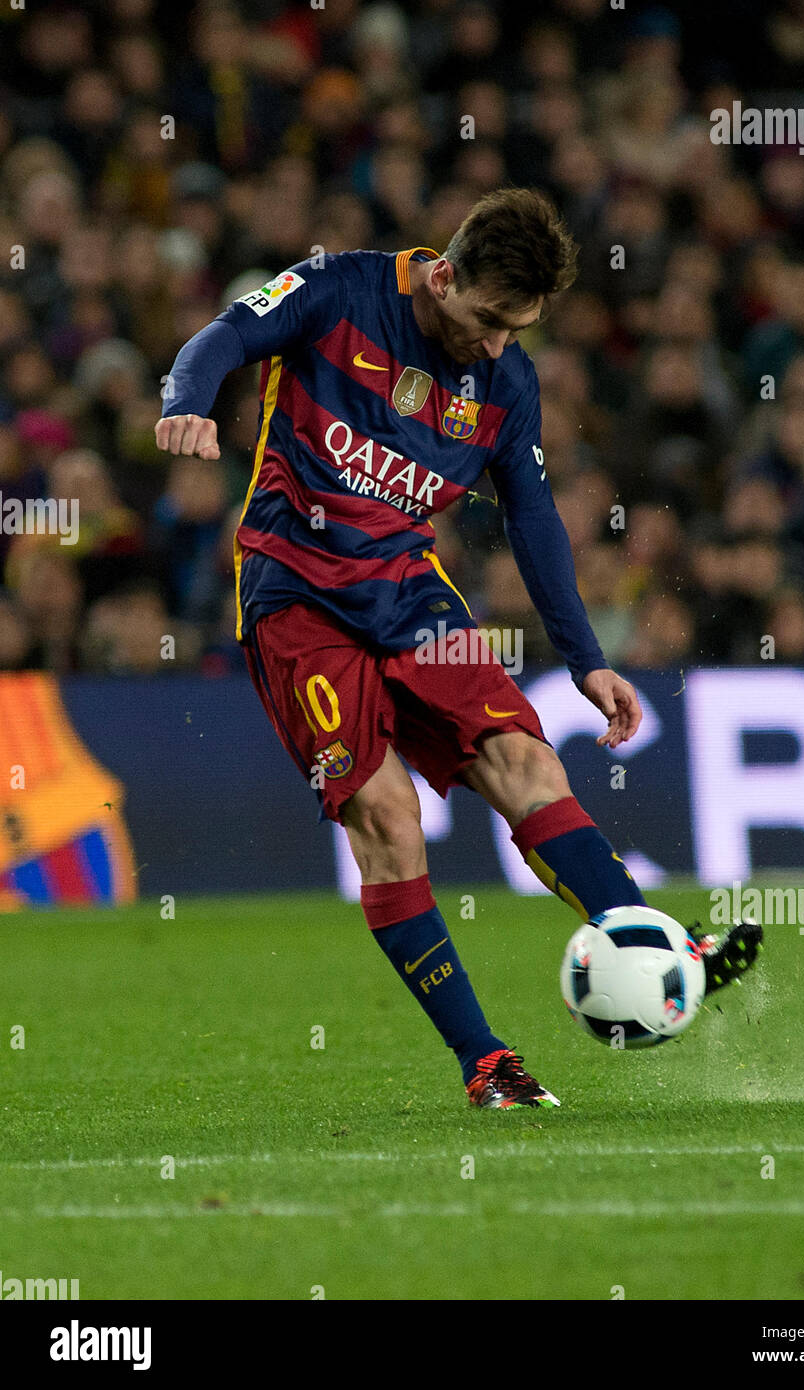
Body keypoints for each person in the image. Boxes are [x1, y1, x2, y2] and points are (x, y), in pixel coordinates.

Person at [155, 188, 761, 1109]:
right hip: (296, 597)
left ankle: (652, 938)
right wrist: (188, 402)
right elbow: (224, 337)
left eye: (517, 330)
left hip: (408, 593)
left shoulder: (505, 382)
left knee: (524, 760)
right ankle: (487, 1063)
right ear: (442, 277)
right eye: (486, 322)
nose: (495, 346)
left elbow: (531, 516)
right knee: (389, 823)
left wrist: (585, 655)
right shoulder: (336, 289)